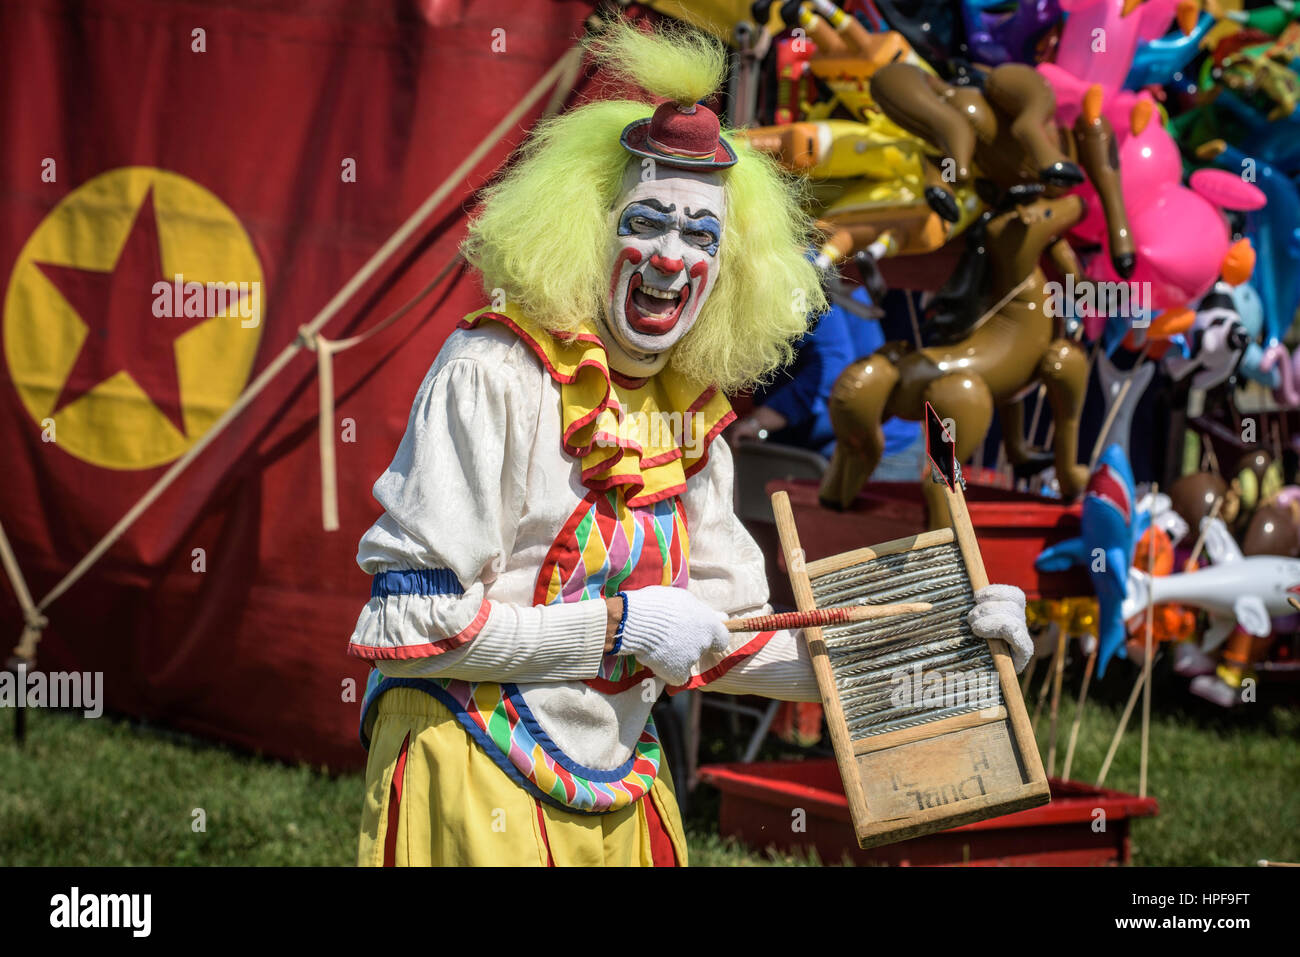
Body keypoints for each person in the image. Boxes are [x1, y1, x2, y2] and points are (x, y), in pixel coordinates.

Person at [349, 20, 1033, 867]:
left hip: (621, 782)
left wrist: (933, 653)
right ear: (588, 229)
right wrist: (620, 628)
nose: (672, 257)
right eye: (648, 221)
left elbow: (734, 639)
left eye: (701, 236)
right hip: (468, 763)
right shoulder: (493, 371)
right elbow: (411, 618)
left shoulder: (694, 421)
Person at [731, 285, 925, 480]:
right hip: (826, 445)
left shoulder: (803, 272)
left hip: (879, 450)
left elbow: (832, 366)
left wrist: (756, 423)